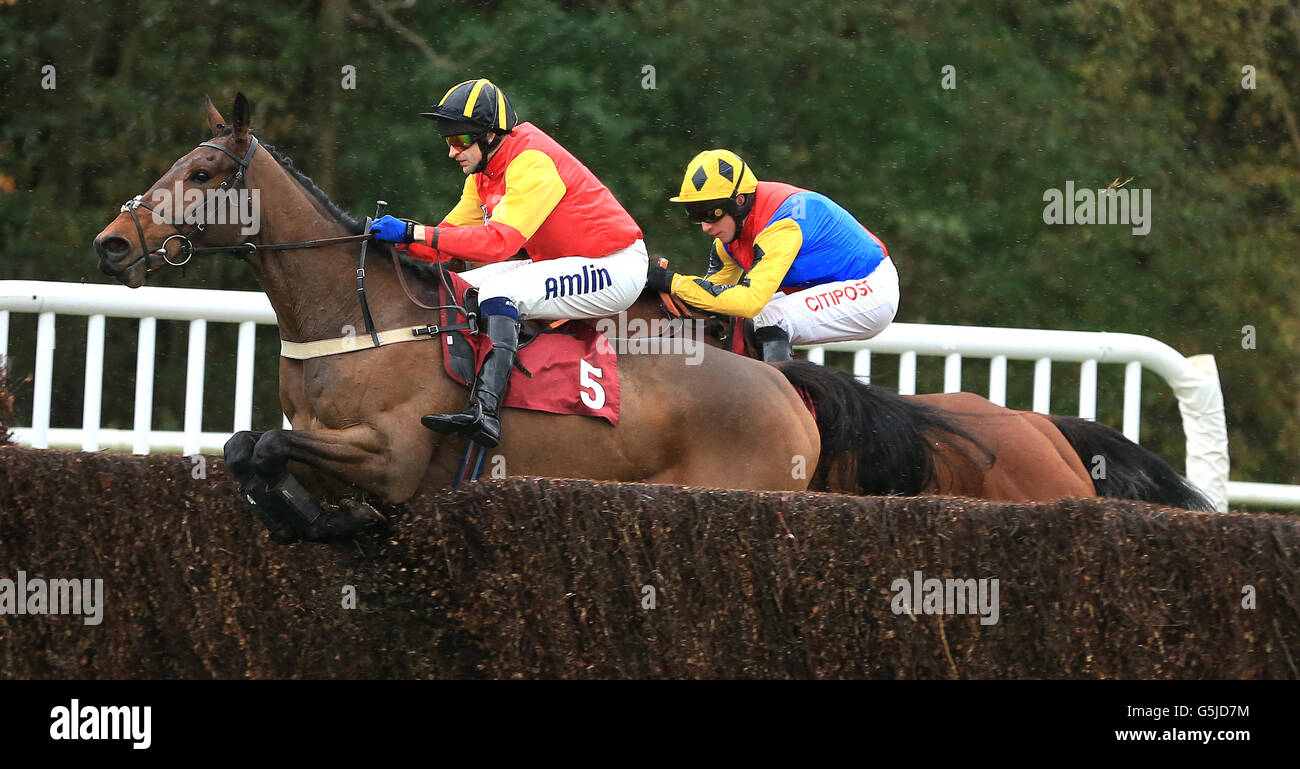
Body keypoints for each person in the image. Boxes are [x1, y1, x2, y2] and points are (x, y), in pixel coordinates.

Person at [369, 78, 647, 448]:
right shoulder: (482, 174)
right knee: (462, 288)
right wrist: (391, 244)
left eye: (459, 141)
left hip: (615, 266)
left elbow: (501, 243)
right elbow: (446, 243)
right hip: (569, 261)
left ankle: (486, 412)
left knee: (498, 292)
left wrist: (414, 233)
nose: (452, 153)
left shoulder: (532, 161)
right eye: (448, 142)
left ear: (490, 135)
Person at [648, 149, 899, 363]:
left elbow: (749, 301)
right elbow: (712, 294)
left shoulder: (782, 226)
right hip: (830, 285)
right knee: (742, 319)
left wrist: (674, 282)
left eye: (710, 212)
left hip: (871, 289)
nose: (705, 226)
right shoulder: (729, 238)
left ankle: (788, 409)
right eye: (695, 214)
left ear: (740, 201)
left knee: (768, 317)